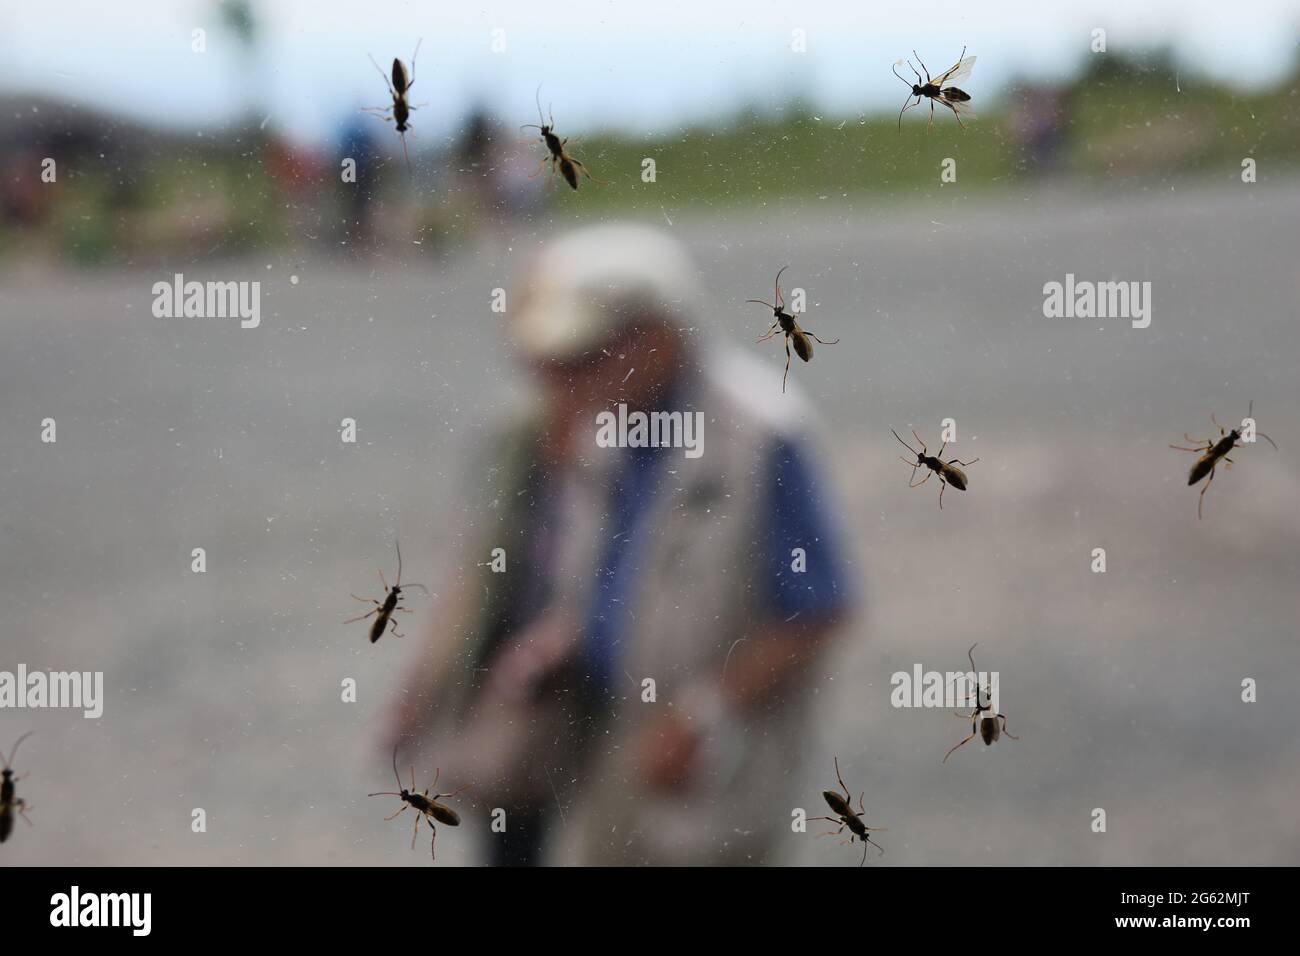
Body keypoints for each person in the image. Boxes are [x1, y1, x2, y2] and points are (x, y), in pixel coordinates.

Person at [386, 222, 857, 865]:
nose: (566, 381)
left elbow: (817, 608)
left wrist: (705, 717)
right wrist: (561, 638)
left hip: (710, 775)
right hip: (608, 748)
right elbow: (601, 573)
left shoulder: (762, 436)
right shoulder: (607, 427)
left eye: (586, 356)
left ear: (657, 336)